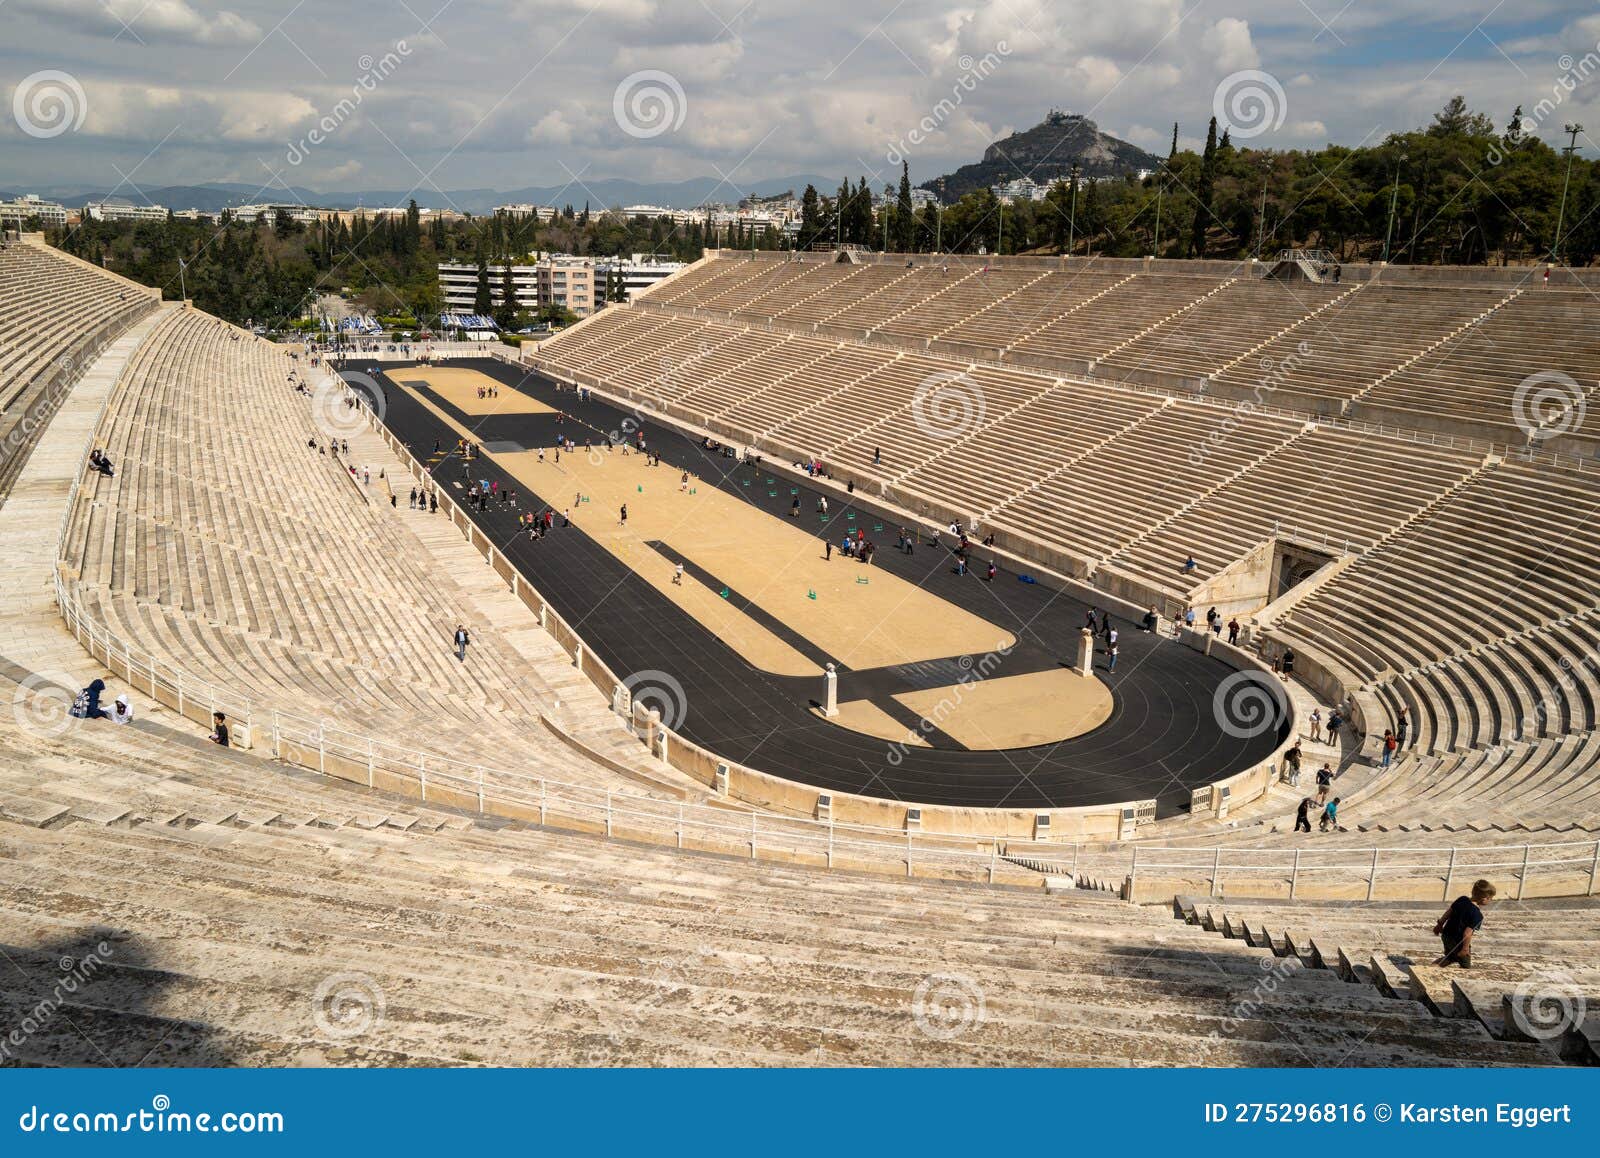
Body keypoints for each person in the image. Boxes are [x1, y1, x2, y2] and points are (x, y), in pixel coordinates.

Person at [1434, 880, 1496, 967]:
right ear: (1484, 898)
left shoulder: (1462, 899)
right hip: (1458, 941)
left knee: (1450, 958)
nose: (1491, 900)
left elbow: (1448, 912)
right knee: (1465, 965)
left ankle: (1432, 967)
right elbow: (1467, 933)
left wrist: (1439, 925)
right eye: (1490, 898)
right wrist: (1465, 948)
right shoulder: (1477, 915)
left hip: (1446, 935)